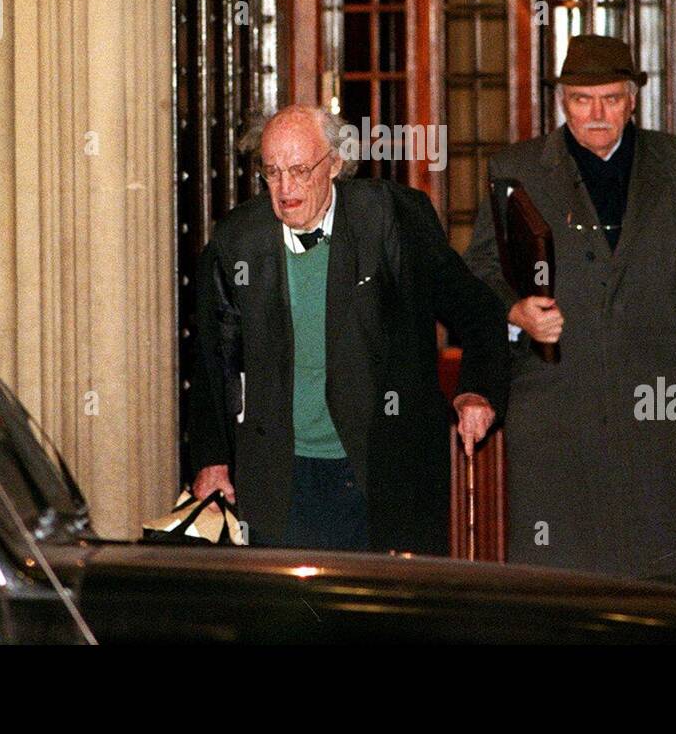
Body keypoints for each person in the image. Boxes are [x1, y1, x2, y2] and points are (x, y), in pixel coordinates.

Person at [464, 35, 676, 587]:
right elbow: (477, 274)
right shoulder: (517, 168)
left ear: (634, 98)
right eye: (583, 100)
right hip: (555, 422)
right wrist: (516, 312)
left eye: (611, 98)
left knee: (667, 603)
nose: (597, 114)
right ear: (562, 101)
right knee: (562, 601)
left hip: (661, 419)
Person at [188, 105, 509, 553]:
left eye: (300, 170)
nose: (285, 189)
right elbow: (213, 357)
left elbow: (476, 309)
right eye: (272, 172)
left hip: (384, 469)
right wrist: (212, 459)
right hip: (283, 476)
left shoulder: (392, 218)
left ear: (336, 163)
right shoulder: (237, 239)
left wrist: (475, 390)